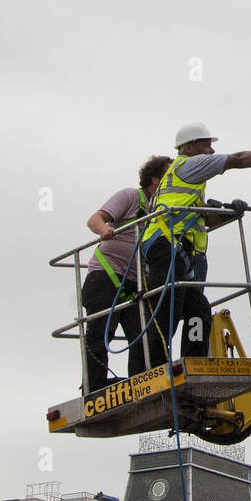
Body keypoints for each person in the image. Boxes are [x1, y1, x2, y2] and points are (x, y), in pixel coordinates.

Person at [140, 122, 251, 367]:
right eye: (205, 145)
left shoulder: (187, 183)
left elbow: (206, 221)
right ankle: (152, 369)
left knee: (197, 309)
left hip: (178, 249)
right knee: (167, 309)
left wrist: (232, 213)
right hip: (166, 246)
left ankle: (193, 363)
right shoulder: (189, 165)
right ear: (188, 147)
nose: (210, 151)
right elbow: (237, 159)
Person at [80, 155, 172, 393]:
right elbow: (95, 219)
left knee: (142, 336)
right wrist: (105, 230)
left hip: (134, 285)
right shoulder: (132, 197)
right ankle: (95, 388)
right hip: (105, 276)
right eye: (169, 175)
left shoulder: (163, 209)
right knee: (100, 334)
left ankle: (140, 383)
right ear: (155, 179)